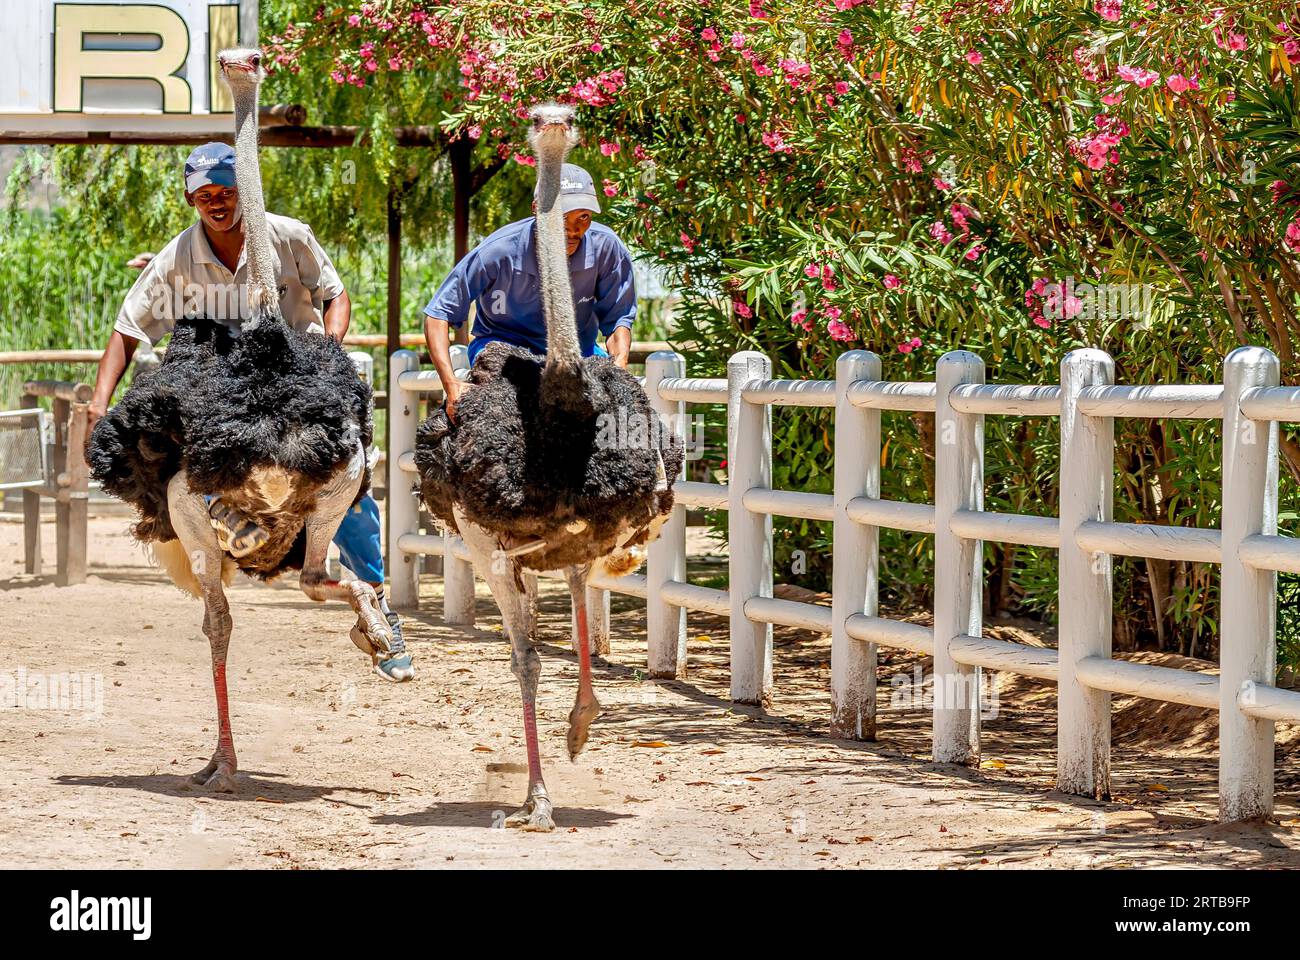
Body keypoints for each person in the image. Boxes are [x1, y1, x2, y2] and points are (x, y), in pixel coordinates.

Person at [87, 142, 413, 682]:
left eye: (227, 193)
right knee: (159, 440)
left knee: (347, 467)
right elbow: (129, 328)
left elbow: (334, 294)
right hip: (219, 376)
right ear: (191, 199)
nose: (217, 203)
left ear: (245, 193)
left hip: (296, 366)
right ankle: (215, 526)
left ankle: (376, 596)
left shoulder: (286, 234)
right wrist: (100, 403)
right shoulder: (177, 258)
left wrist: (329, 349)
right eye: (206, 195)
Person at [423, 163, 636, 417]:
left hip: (576, 351)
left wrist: (619, 370)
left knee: (621, 415)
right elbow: (438, 313)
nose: (573, 228)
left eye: (583, 217)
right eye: (561, 216)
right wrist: (451, 384)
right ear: (537, 210)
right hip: (503, 348)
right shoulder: (499, 250)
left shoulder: (607, 248)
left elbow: (618, 321)